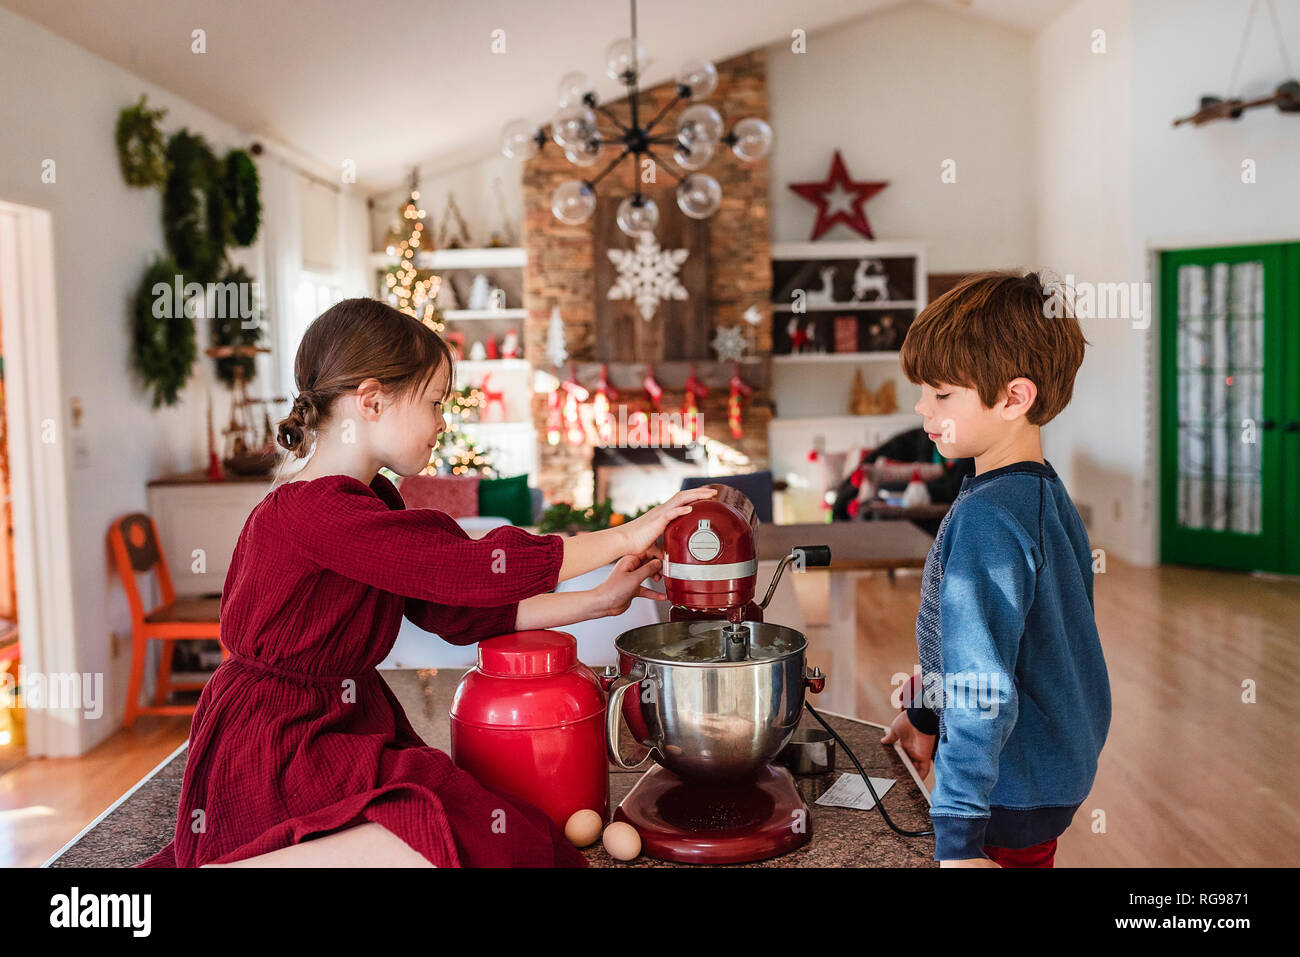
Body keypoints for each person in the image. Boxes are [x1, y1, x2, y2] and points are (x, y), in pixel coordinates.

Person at [137, 297, 714, 868]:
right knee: (439, 834)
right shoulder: (317, 513)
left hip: (339, 721)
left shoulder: (375, 504)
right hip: (278, 742)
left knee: (495, 833)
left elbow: (457, 610)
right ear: (370, 399)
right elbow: (469, 566)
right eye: (436, 403)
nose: (443, 422)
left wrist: (595, 602)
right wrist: (624, 534)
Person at [880, 271, 1111, 868]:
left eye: (941, 394)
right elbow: (1004, 644)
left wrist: (957, 839)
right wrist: (925, 714)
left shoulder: (989, 517)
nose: (920, 407)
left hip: (1003, 795)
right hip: (1042, 773)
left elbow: (981, 684)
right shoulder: (1040, 491)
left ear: (1014, 397)